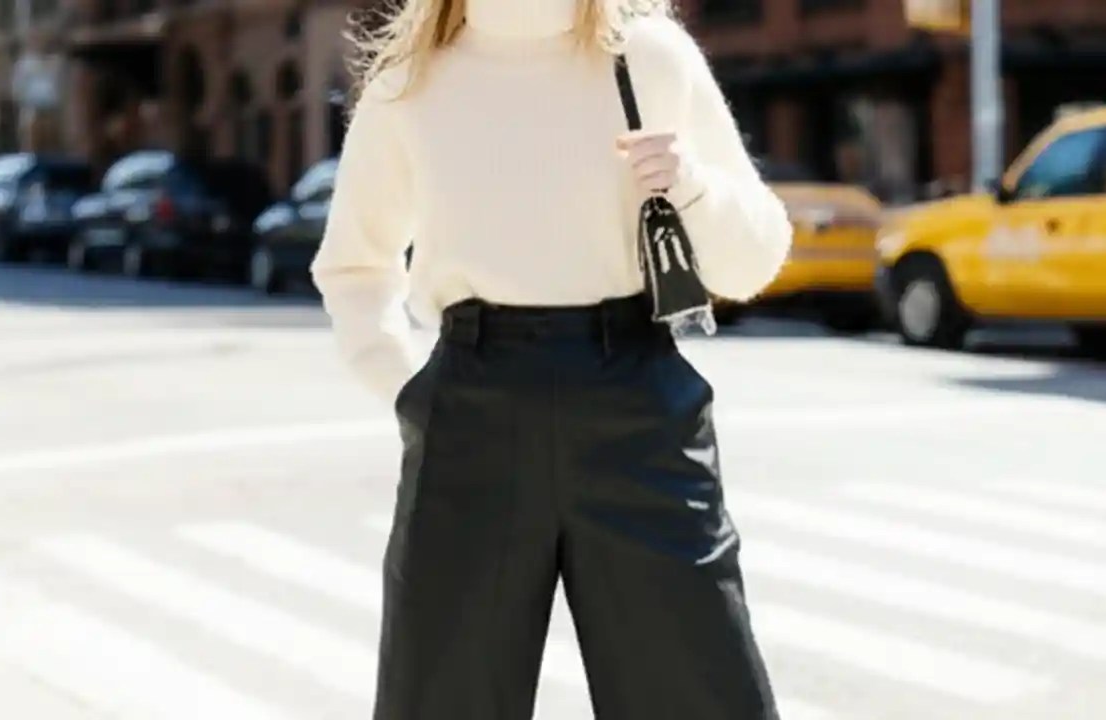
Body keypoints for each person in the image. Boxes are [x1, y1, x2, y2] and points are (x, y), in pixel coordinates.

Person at [311, 0, 792, 717]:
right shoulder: (409, 82)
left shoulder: (648, 56)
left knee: (701, 699)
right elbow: (355, 266)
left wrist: (689, 183)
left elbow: (754, 260)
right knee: (444, 702)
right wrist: (411, 391)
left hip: (638, 403)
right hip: (471, 406)